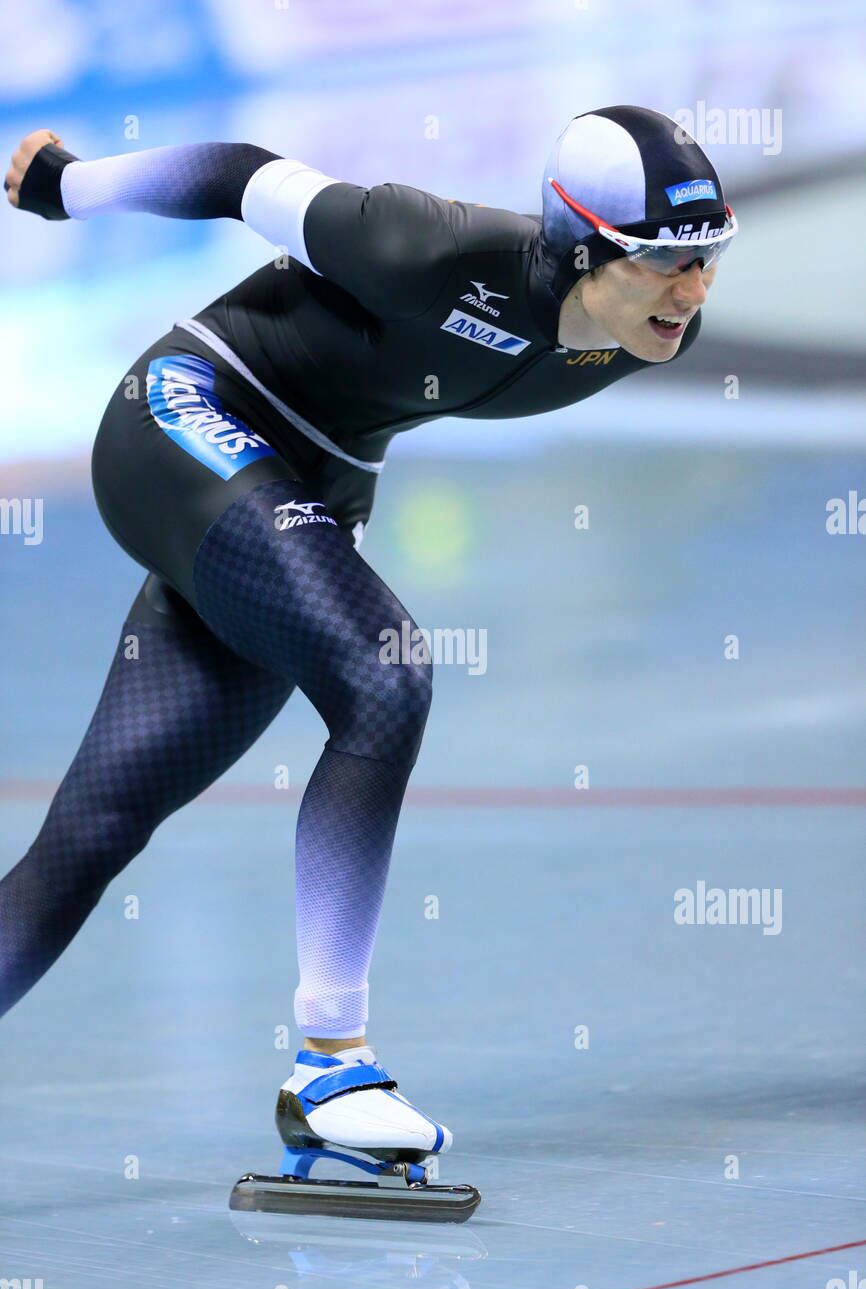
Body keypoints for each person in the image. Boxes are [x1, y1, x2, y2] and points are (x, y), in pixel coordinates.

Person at [1, 106, 736, 1207]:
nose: (691, 294)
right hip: (184, 417)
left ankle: (324, 1095)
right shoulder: (421, 246)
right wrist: (64, 184)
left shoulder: (644, 336)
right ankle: (330, 1066)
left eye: (706, 258)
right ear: (581, 246)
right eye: (664, 263)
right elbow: (242, 175)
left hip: (303, 494)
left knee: (94, 831)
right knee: (385, 674)